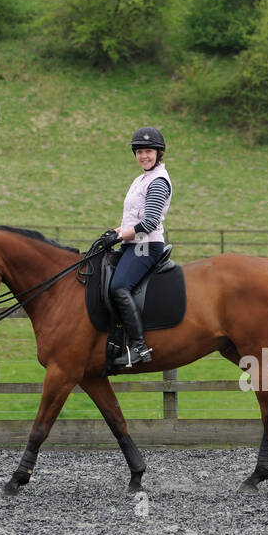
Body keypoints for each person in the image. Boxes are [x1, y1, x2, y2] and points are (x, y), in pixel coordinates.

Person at [109, 126, 173, 368]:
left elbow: (149, 222)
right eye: (139, 152)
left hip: (146, 246)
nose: (144, 156)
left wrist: (119, 237)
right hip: (132, 243)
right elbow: (133, 219)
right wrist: (114, 232)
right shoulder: (141, 179)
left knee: (118, 287)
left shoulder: (158, 181)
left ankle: (139, 347)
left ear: (159, 153)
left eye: (148, 151)